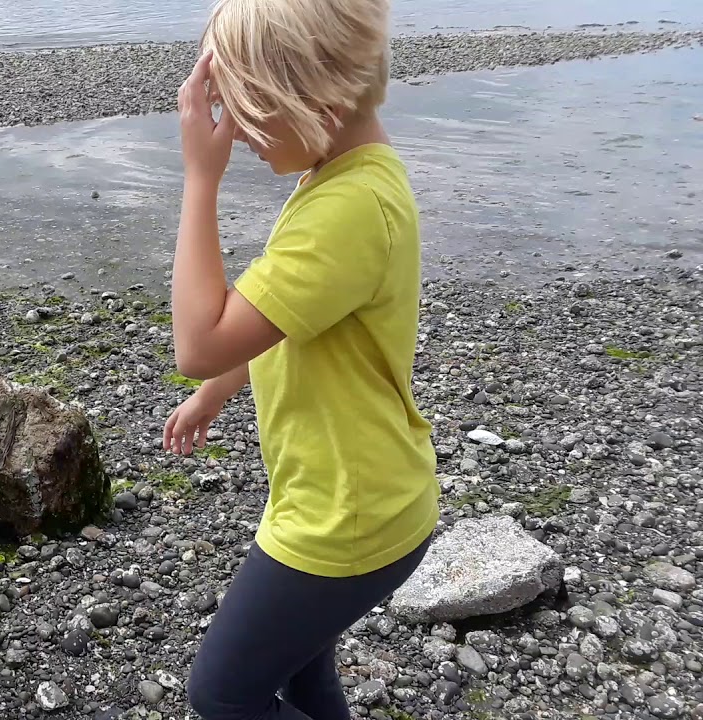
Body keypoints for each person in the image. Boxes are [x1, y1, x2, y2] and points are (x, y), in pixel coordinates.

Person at [161, 0, 438, 718]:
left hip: (345, 516)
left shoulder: (346, 210)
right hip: (351, 493)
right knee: (304, 680)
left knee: (223, 697)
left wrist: (201, 178)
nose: (239, 133)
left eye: (253, 108)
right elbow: (278, 319)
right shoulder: (349, 177)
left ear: (316, 93)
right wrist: (217, 394)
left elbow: (197, 341)